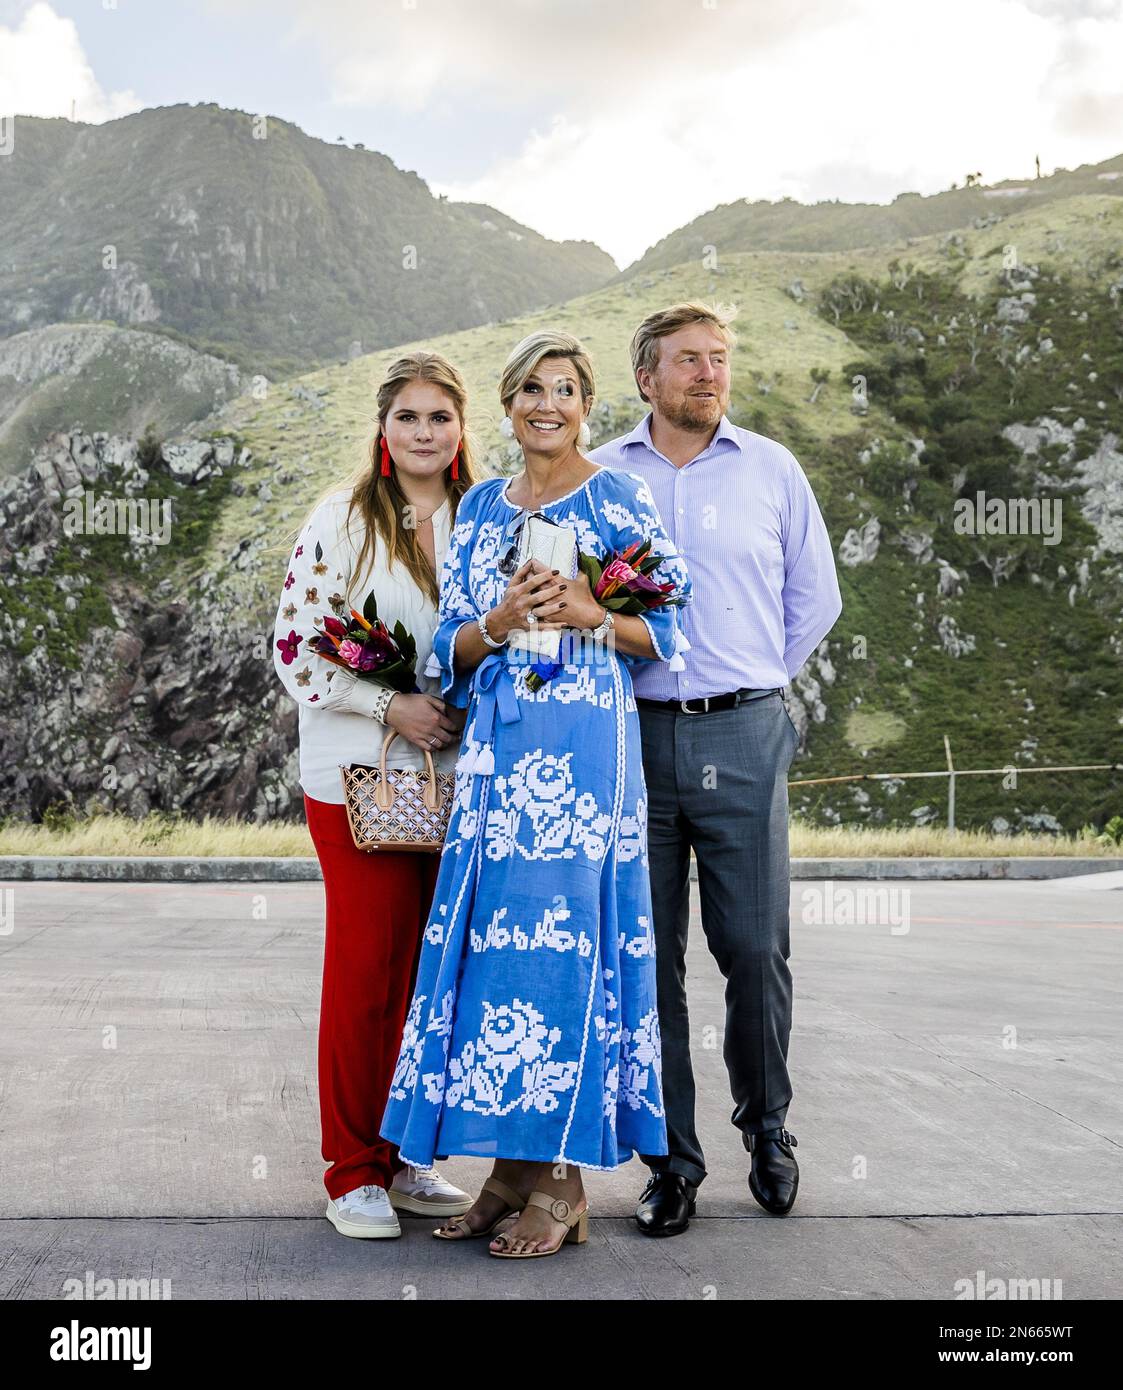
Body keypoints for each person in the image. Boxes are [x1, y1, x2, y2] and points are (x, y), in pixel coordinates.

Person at [379, 330, 694, 1259]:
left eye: (562, 389)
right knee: (495, 952)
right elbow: (445, 651)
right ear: (507, 405)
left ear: (586, 404)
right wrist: (499, 620)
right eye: (528, 390)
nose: (545, 404)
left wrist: (595, 612)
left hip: (584, 759)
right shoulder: (477, 507)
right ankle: (509, 1171)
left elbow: (667, 629)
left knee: (565, 946)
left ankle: (562, 1181)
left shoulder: (620, 495)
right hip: (495, 762)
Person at [590, 302, 843, 1235]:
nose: (708, 373)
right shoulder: (603, 475)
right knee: (647, 962)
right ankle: (671, 1164)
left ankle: (766, 1129)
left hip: (742, 732)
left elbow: (812, 599)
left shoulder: (772, 468)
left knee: (753, 949)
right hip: (631, 738)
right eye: (687, 360)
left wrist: (741, 677)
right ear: (645, 378)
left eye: (718, 358)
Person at [271, 351, 479, 1239]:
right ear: (383, 428)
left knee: (433, 980)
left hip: (465, 783)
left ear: (462, 427)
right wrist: (390, 700)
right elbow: (295, 647)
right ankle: (351, 1169)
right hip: (360, 780)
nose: (425, 431)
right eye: (408, 417)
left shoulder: (488, 518)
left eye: (440, 416)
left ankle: (406, 1158)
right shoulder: (344, 519)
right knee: (367, 971)